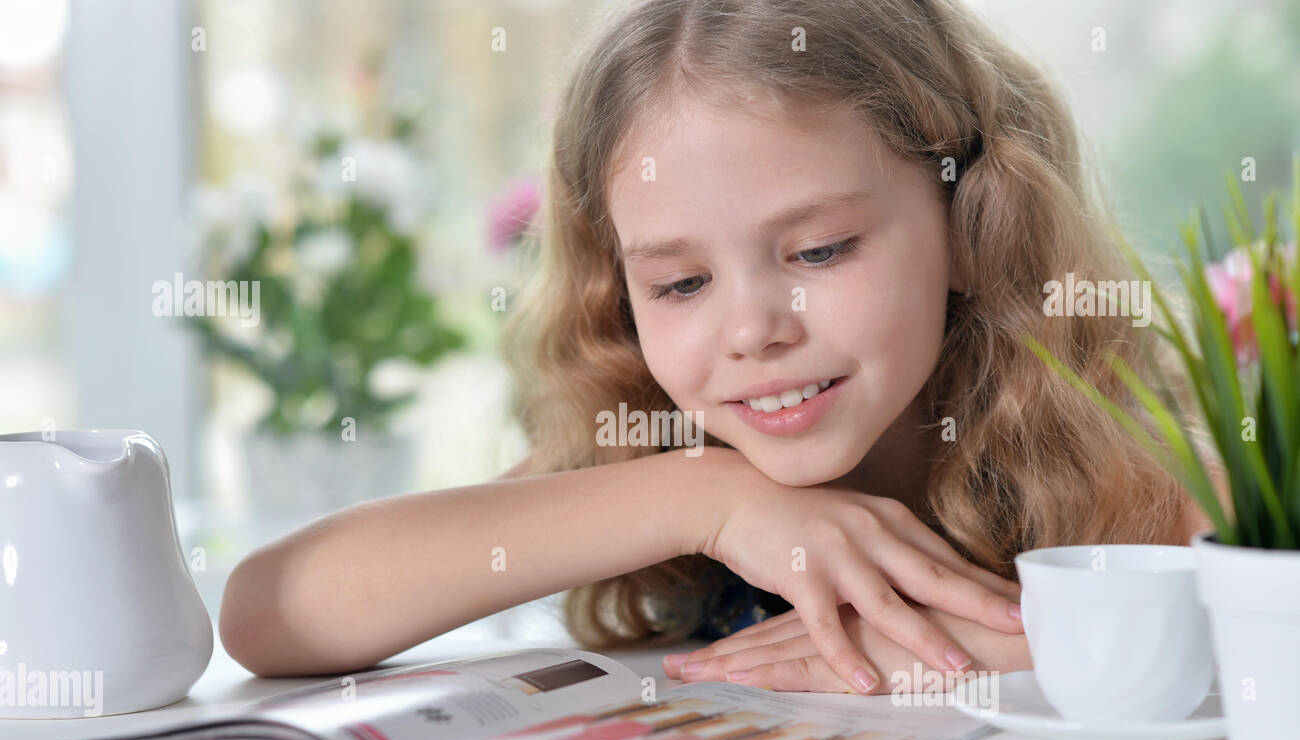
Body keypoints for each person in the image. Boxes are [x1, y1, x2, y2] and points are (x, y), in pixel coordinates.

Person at [218, 0, 1222, 693]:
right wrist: (710, 499)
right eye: (680, 283)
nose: (752, 330)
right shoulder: (658, 452)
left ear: (969, 226)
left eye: (820, 249)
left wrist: (993, 642)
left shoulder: (1107, 449)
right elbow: (271, 613)